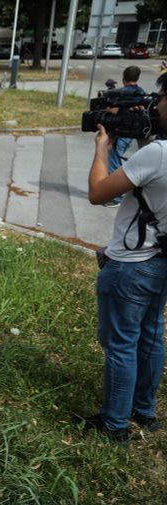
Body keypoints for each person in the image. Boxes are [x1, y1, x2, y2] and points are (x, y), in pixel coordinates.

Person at [83, 73, 167, 444]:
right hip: (162, 260)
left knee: (122, 343)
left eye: (161, 98)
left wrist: (103, 149)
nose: (156, 104)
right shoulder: (156, 151)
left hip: (133, 265)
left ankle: (114, 424)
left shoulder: (157, 155)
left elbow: (99, 193)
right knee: (152, 337)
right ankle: (144, 412)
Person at [105, 66, 145, 207]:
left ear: (124, 78)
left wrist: (107, 106)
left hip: (120, 131)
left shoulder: (121, 93)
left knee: (114, 163)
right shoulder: (141, 92)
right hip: (132, 131)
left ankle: (117, 197)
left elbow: (115, 110)